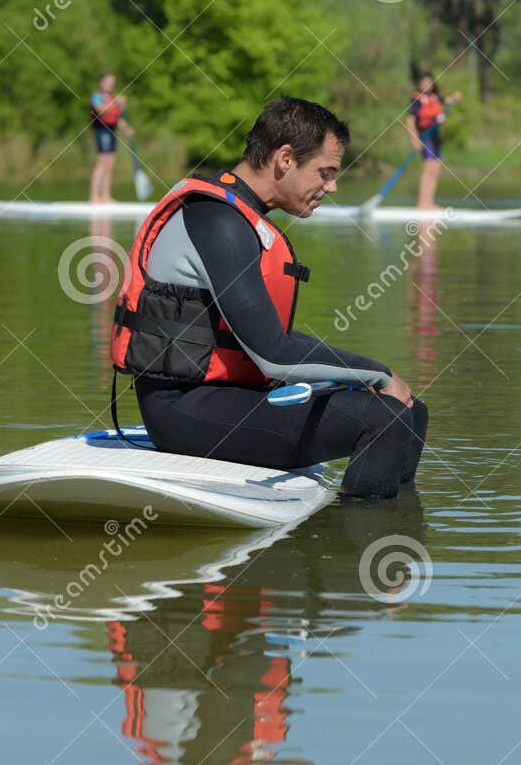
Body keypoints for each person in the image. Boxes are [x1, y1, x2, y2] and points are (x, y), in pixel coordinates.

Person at [111, 97, 427, 498]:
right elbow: (273, 354)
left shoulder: (240, 215)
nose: (331, 186)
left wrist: (367, 380)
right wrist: (380, 374)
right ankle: (356, 546)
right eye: (325, 173)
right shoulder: (217, 221)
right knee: (386, 417)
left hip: (231, 397)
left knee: (410, 410)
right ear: (285, 159)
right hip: (182, 411)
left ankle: (393, 520)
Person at [405, 72, 461, 209]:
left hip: (435, 137)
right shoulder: (417, 99)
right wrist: (415, 140)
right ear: (419, 84)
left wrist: (456, 97)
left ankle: (429, 202)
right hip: (425, 136)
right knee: (429, 168)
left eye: (429, 82)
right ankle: (422, 203)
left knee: (436, 168)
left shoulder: (436, 97)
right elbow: (410, 120)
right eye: (424, 82)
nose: (426, 85)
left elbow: (449, 100)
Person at [88, 72, 133, 204]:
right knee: (102, 162)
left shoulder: (113, 98)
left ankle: (106, 196)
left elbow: (117, 119)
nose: (110, 84)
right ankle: (94, 196)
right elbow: (100, 109)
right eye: (108, 81)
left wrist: (127, 128)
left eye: (112, 81)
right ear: (102, 81)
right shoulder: (97, 96)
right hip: (102, 131)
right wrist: (117, 103)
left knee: (111, 163)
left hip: (112, 131)